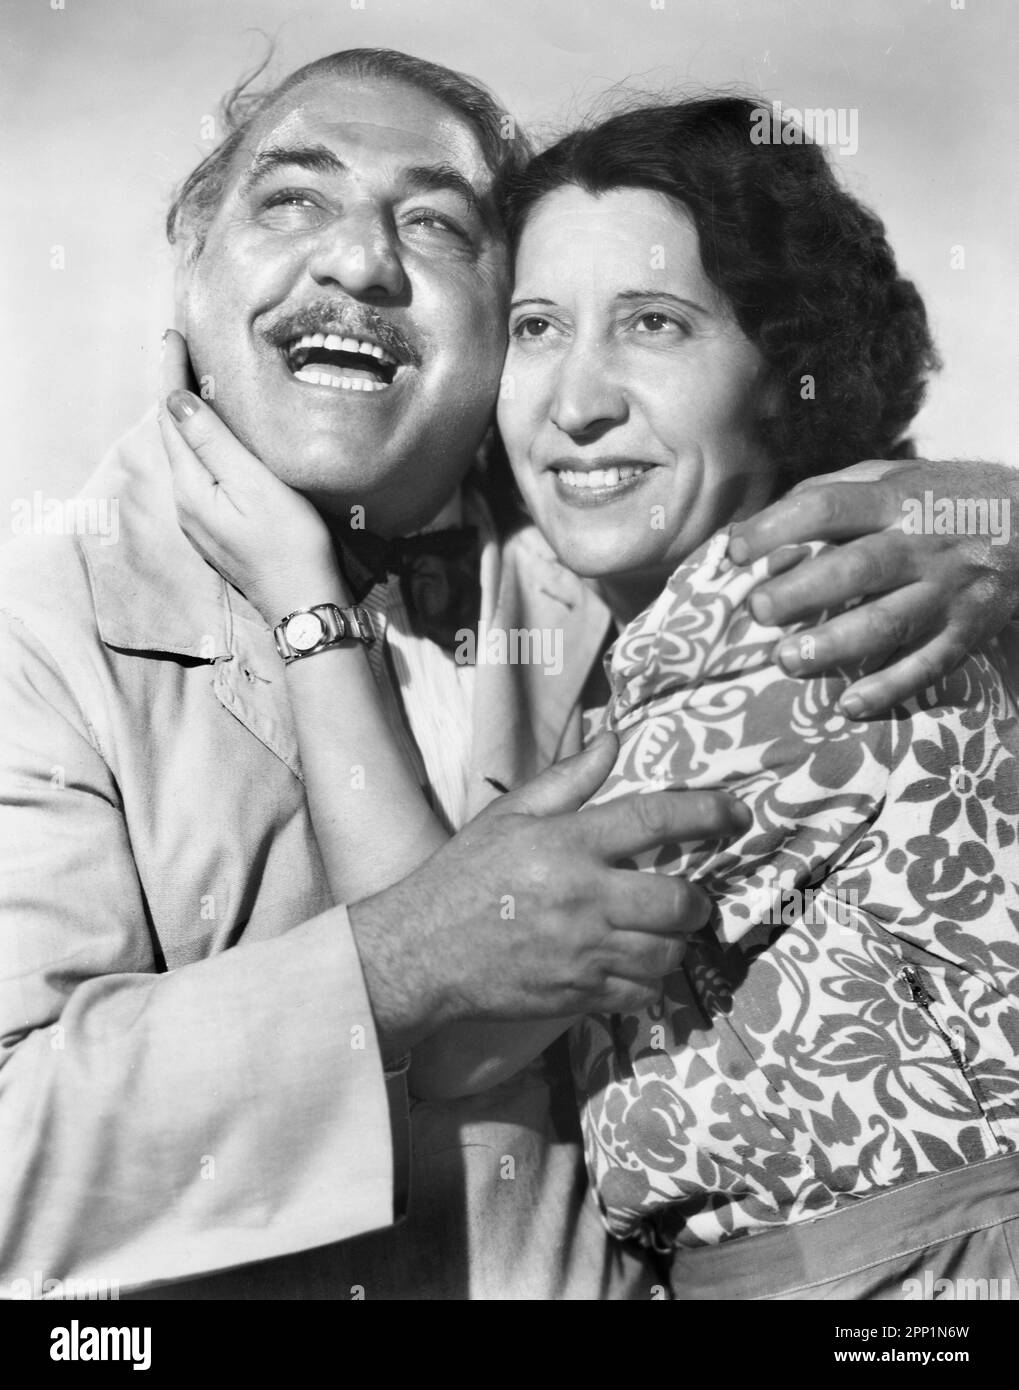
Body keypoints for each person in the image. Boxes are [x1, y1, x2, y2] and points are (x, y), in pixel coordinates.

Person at [2, 47, 1016, 1301]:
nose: (360, 260)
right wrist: (389, 968)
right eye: (292, 199)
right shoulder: (33, 631)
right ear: (190, 271)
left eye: (432, 223)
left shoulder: (647, 554)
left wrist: (980, 510)